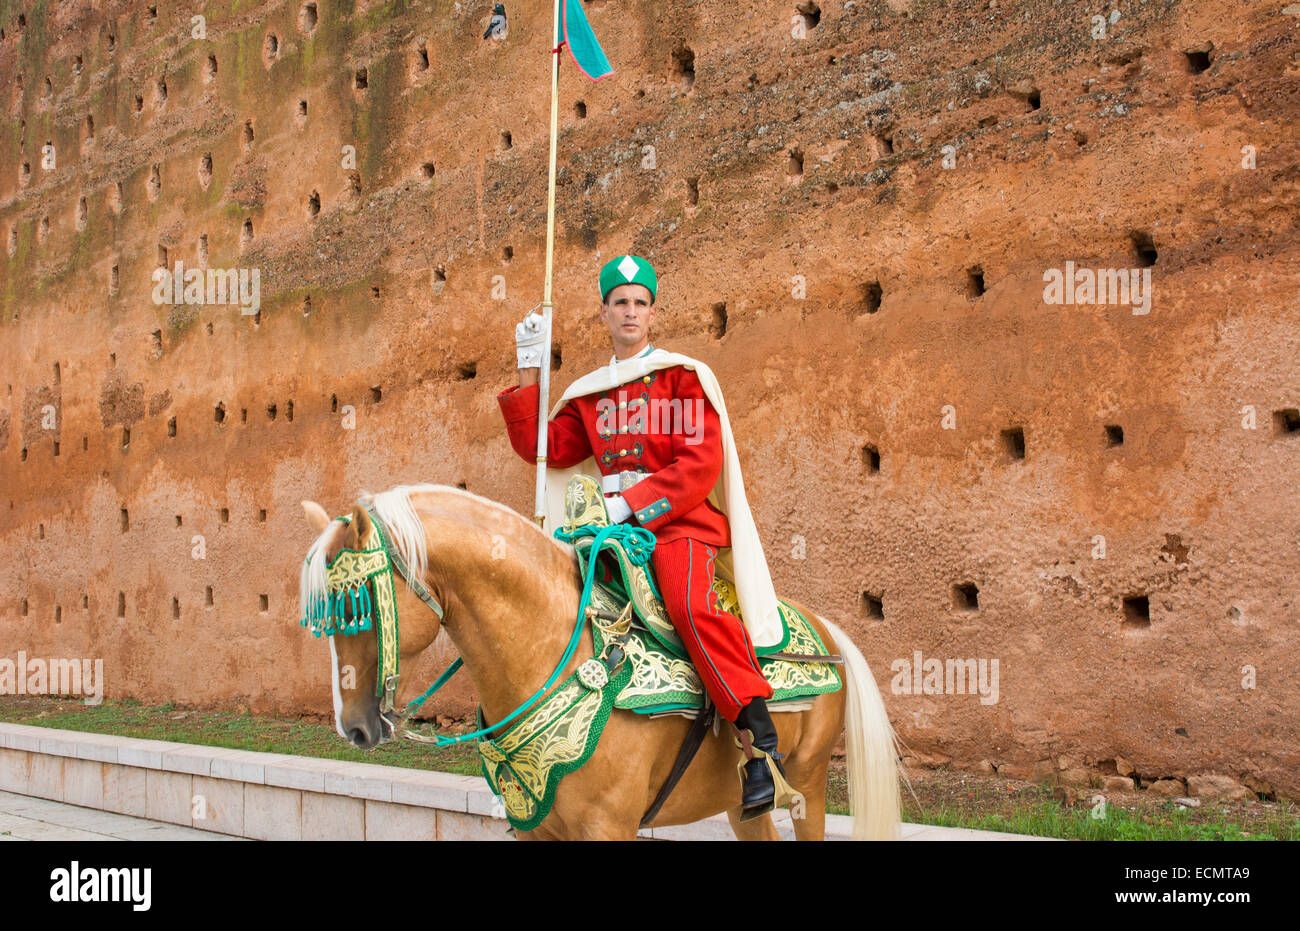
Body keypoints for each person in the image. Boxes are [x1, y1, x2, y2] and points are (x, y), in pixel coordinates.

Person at [496, 254, 790, 820]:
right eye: (619, 303)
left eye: (639, 303)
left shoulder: (683, 377)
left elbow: (702, 462)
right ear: (604, 313)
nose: (630, 312)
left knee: (687, 603)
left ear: (652, 313)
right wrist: (529, 368)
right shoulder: (589, 393)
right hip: (608, 534)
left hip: (679, 526)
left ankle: (761, 749)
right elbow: (544, 450)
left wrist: (629, 502)